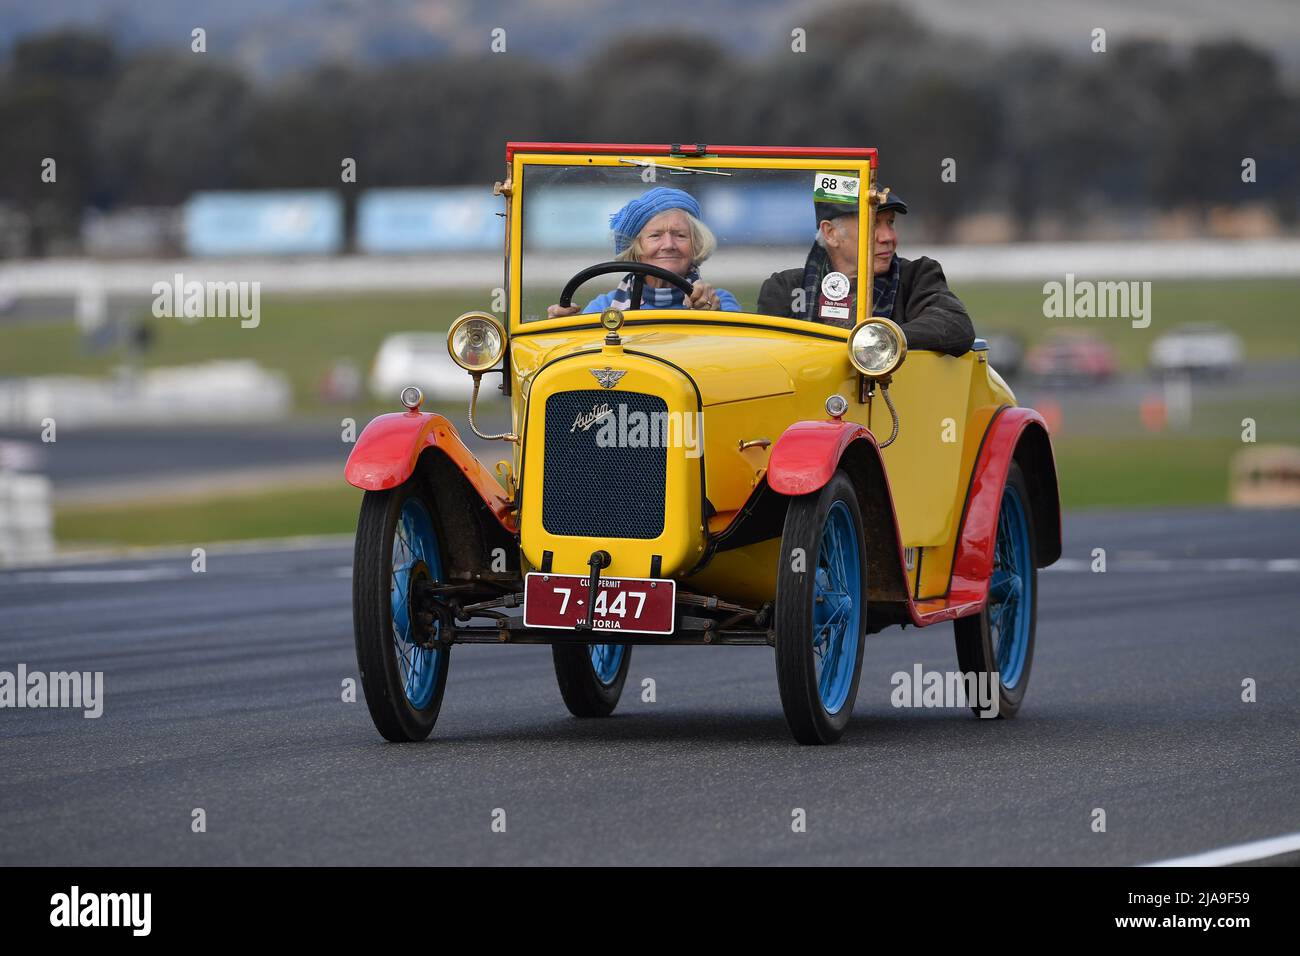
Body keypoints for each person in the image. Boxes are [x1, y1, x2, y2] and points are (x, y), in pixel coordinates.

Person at [755, 188, 974, 356]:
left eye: (890, 223)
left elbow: (955, 326)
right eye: (873, 224)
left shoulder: (916, 276)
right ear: (830, 233)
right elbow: (769, 357)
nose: (888, 237)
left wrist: (878, 339)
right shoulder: (786, 287)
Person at [547, 186, 740, 317]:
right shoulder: (604, 307)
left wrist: (711, 312)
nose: (669, 244)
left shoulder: (720, 301)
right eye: (655, 236)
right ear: (637, 248)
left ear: (695, 245)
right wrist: (561, 331)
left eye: (680, 235)